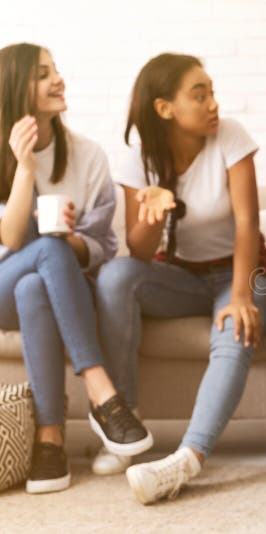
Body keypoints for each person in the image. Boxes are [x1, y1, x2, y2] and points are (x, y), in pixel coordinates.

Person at [94, 53, 266, 504]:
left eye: (212, 92)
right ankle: (125, 425)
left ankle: (188, 458)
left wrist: (240, 296)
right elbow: (139, 251)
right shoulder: (139, 160)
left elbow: (247, 222)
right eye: (199, 95)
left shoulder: (230, 136)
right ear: (164, 108)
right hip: (181, 278)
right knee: (115, 277)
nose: (213, 104)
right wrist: (155, 212)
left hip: (242, 271)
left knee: (235, 327)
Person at [0, 43, 152, 494]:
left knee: (35, 286)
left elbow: (104, 245)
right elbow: (10, 240)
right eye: (43, 73)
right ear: (15, 86)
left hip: (62, 290)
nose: (58, 79)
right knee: (41, 256)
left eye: (56, 70)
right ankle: (101, 392)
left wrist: (71, 240)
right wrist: (24, 167)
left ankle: (50, 439)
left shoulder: (88, 156)